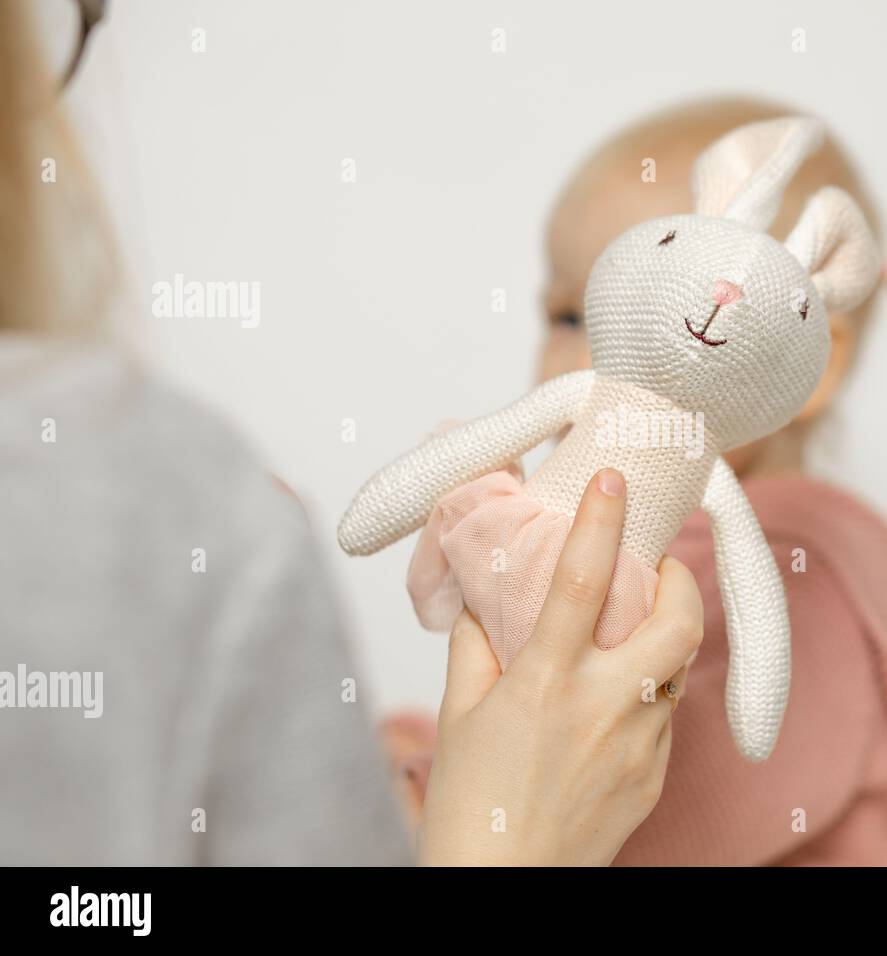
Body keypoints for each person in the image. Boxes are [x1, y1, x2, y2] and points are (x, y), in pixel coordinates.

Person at [0, 0, 697, 866]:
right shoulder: (162, 490)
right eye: (566, 315)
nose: (593, 365)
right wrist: (498, 826)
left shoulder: (781, 546)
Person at [398, 98, 887, 865]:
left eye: (654, 314)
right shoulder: (617, 540)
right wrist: (430, 746)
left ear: (810, 364)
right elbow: (543, 746)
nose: (590, 361)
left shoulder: (807, 570)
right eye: (570, 314)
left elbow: (646, 816)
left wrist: (426, 791)